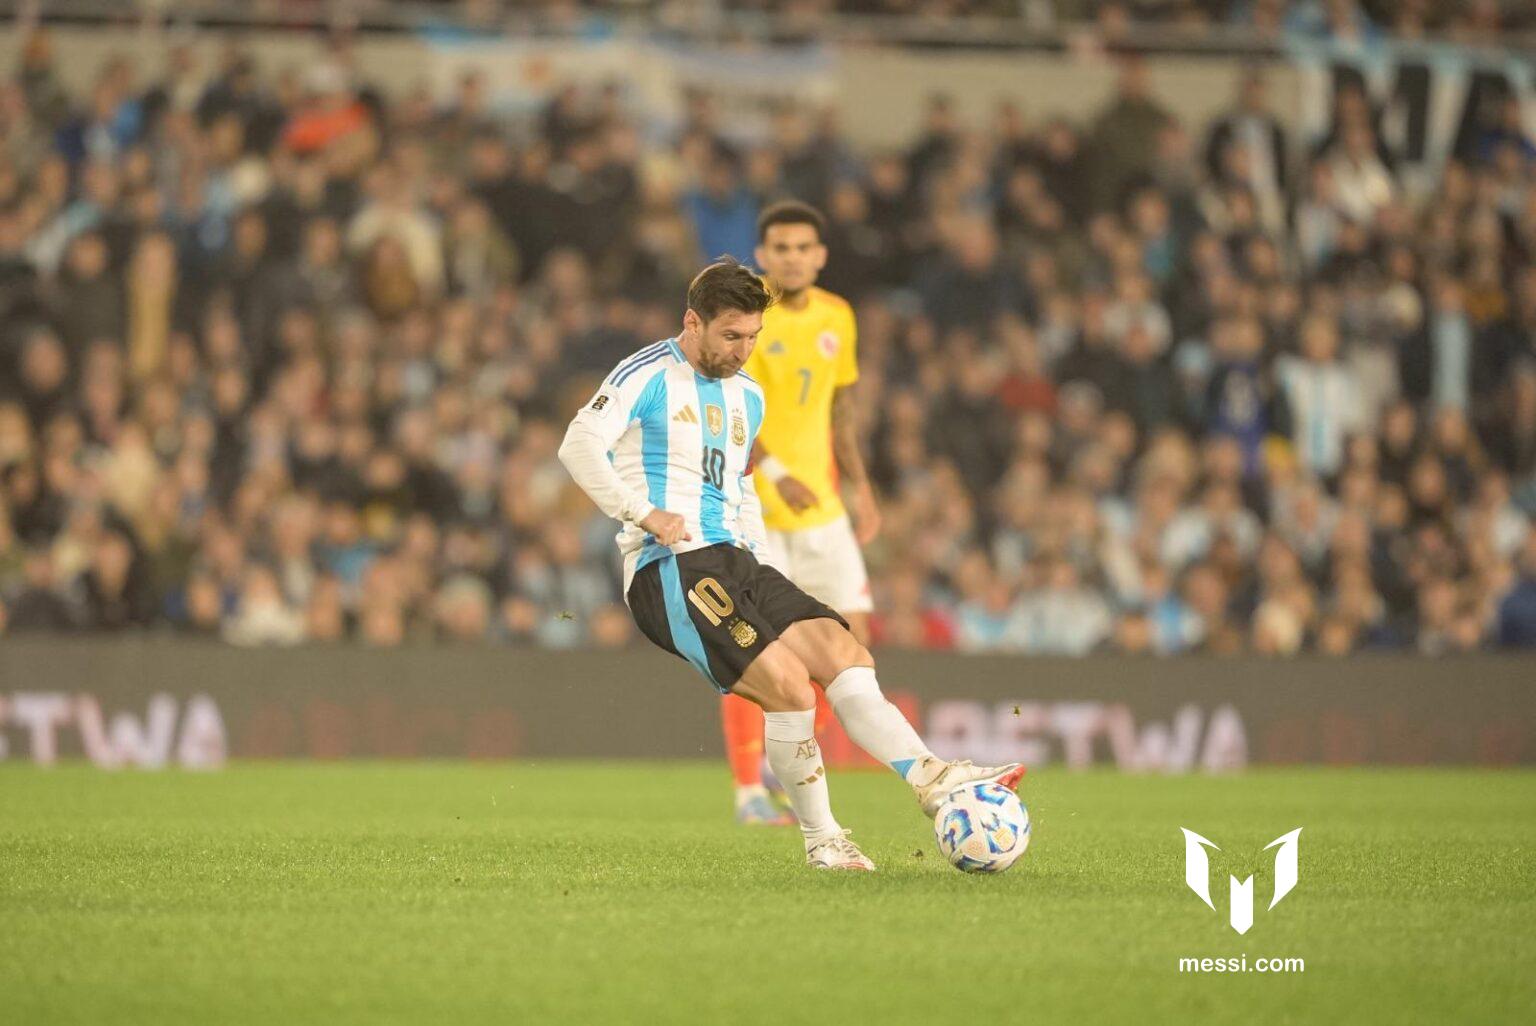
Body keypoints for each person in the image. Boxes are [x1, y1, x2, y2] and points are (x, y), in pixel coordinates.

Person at [558, 259, 1023, 871]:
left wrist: (759, 560)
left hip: (738, 559)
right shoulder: (646, 374)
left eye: (753, 337)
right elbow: (578, 444)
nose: (743, 350)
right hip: (670, 566)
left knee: (845, 652)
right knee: (788, 690)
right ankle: (824, 839)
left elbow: (742, 486)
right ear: (692, 322)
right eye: (731, 336)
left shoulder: (748, 394)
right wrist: (643, 512)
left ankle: (933, 780)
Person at [715, 200, 883, 826]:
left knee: (851, 647)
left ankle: (783, 767)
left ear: (820, 255)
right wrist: (777, 475)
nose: (791, 257)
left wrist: (862, 489)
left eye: (802, 247)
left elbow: (840, 414)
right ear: (763, 255)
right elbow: (733, 409)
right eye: (780, 248)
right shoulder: (745, 319)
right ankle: (748, 791)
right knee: (750, 650)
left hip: (825, 512)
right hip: (757, 508)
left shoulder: (838, 315)